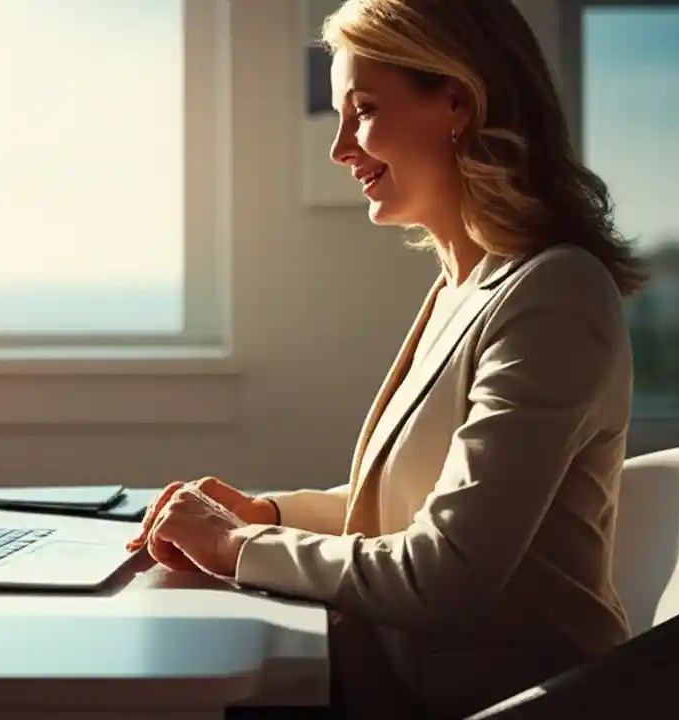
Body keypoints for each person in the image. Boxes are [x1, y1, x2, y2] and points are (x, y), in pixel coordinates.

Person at [125, 0, 647, 716]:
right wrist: (266, 513)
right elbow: (409, 512)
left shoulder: (554, 295)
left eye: (363, 110)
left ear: (457, 103)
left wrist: (234, 546)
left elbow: (444, 575)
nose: (341, 147)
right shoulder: (466, 284)